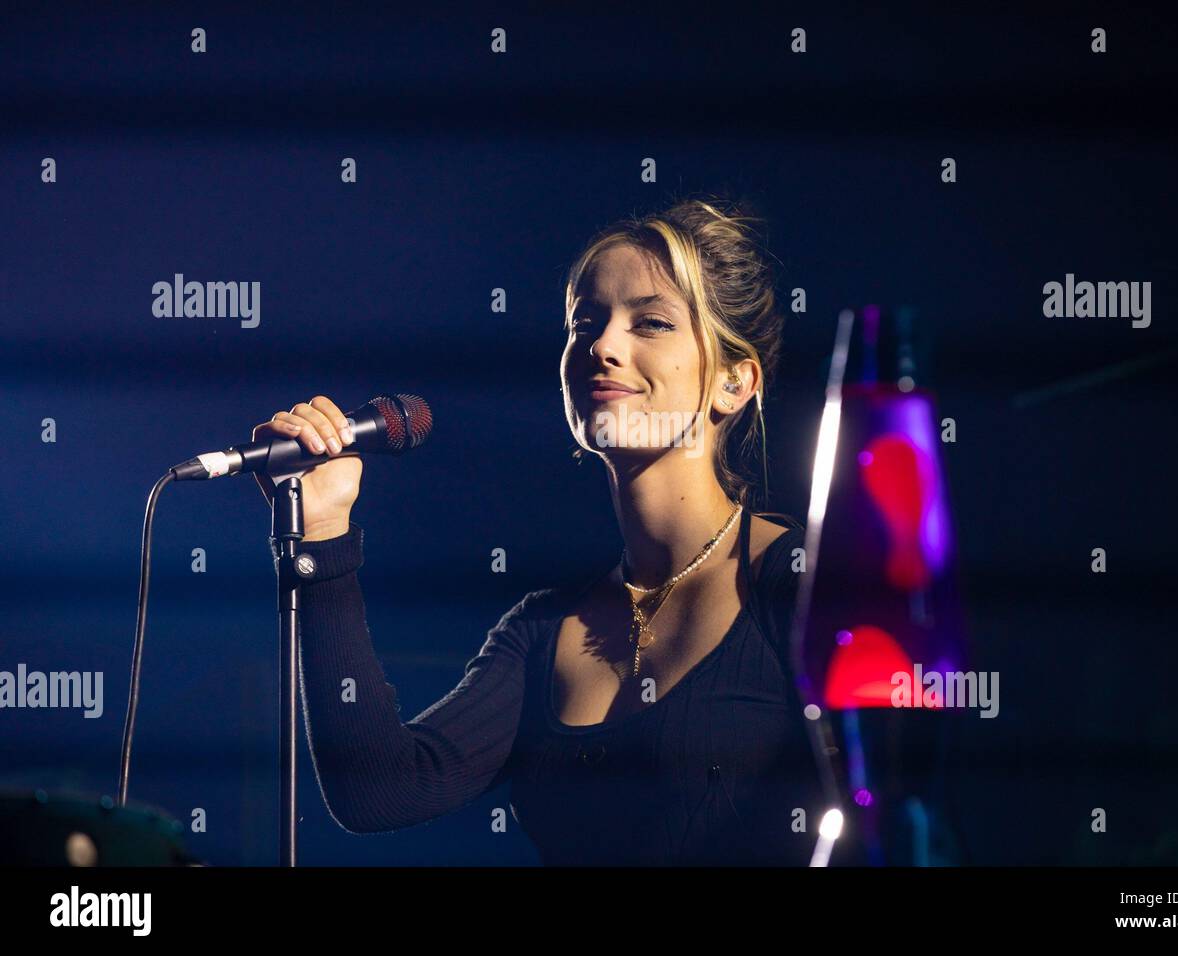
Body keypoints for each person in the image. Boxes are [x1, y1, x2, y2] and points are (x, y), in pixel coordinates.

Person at [251, 197, 827, 865]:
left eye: (652, 322)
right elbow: (378, 790)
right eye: (585, 322)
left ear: (734, 382)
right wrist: (322, 534)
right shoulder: (542, 631)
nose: (604, 346)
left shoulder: (807, 585)